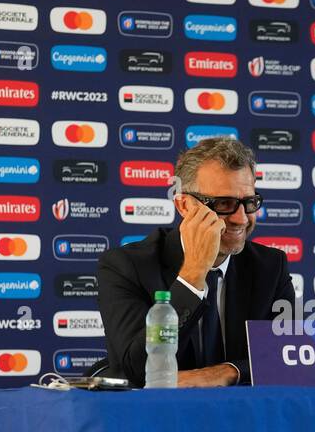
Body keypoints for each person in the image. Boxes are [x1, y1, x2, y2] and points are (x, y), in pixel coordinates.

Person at [96, 137, 295, 387]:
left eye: (249, 202)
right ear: (184, 205)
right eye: (224, 203)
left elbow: (287, 356)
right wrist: (194, 272)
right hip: (160, 419)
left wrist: (225, 372)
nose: (241, 218)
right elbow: (136, 368)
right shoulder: (125, 266)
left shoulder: (270, 266)